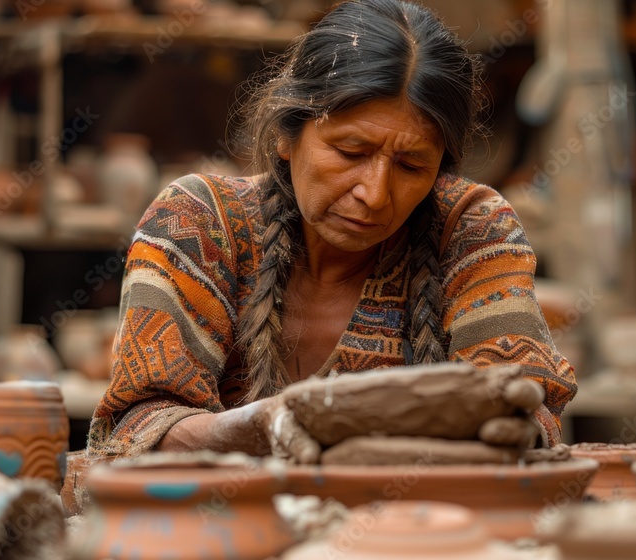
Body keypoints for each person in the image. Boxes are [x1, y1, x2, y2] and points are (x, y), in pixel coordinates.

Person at [88, 0, 576, 460]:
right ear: (286, 134)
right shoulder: (196, 221)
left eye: (410, 166)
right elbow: (138, 425)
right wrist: (260, 427)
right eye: (350, 152)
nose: (375, 193)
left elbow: (527, 409)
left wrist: (510, 420)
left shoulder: (471, 228)